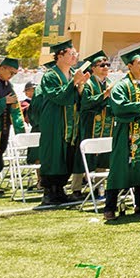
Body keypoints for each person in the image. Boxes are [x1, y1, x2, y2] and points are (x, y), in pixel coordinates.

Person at [35, 39, 89, 206]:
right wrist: (74, 83)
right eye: (71, 54)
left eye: (75, 54)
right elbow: (58, 97)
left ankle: (60, 189)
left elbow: (81, 100)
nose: (75, 57)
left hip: (71, 124)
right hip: (55, 123)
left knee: (67, 154)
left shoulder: (73, 73)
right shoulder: (50, 75)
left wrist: (80, 87)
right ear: (60, 55)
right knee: (53, 154)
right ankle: (49, 192)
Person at [105, 49, 140, 220]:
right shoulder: (121, 85)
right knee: (119, 168)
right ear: (130, 66)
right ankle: (109, 207)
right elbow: (118, 106)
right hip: (126, 133)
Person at [75, 52, 114, 194]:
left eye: (107, 65)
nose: (105, 67)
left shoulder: (110, 84)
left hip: (107, 124)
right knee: (84, 155)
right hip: (89, 124)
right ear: (93, 68)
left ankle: (99, 187)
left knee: (103, 155)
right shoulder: (89, 84)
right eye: (101, 65)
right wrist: (104, 95)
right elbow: (85, 103)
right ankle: (76, 188)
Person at [0, 58, 24, 195]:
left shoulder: (9, 86)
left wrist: (20, 129)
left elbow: (15, 107)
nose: (12, 76)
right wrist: (3, 101)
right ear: (2, 68)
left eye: (14, 74)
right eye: (11, 72)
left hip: (4, 127)